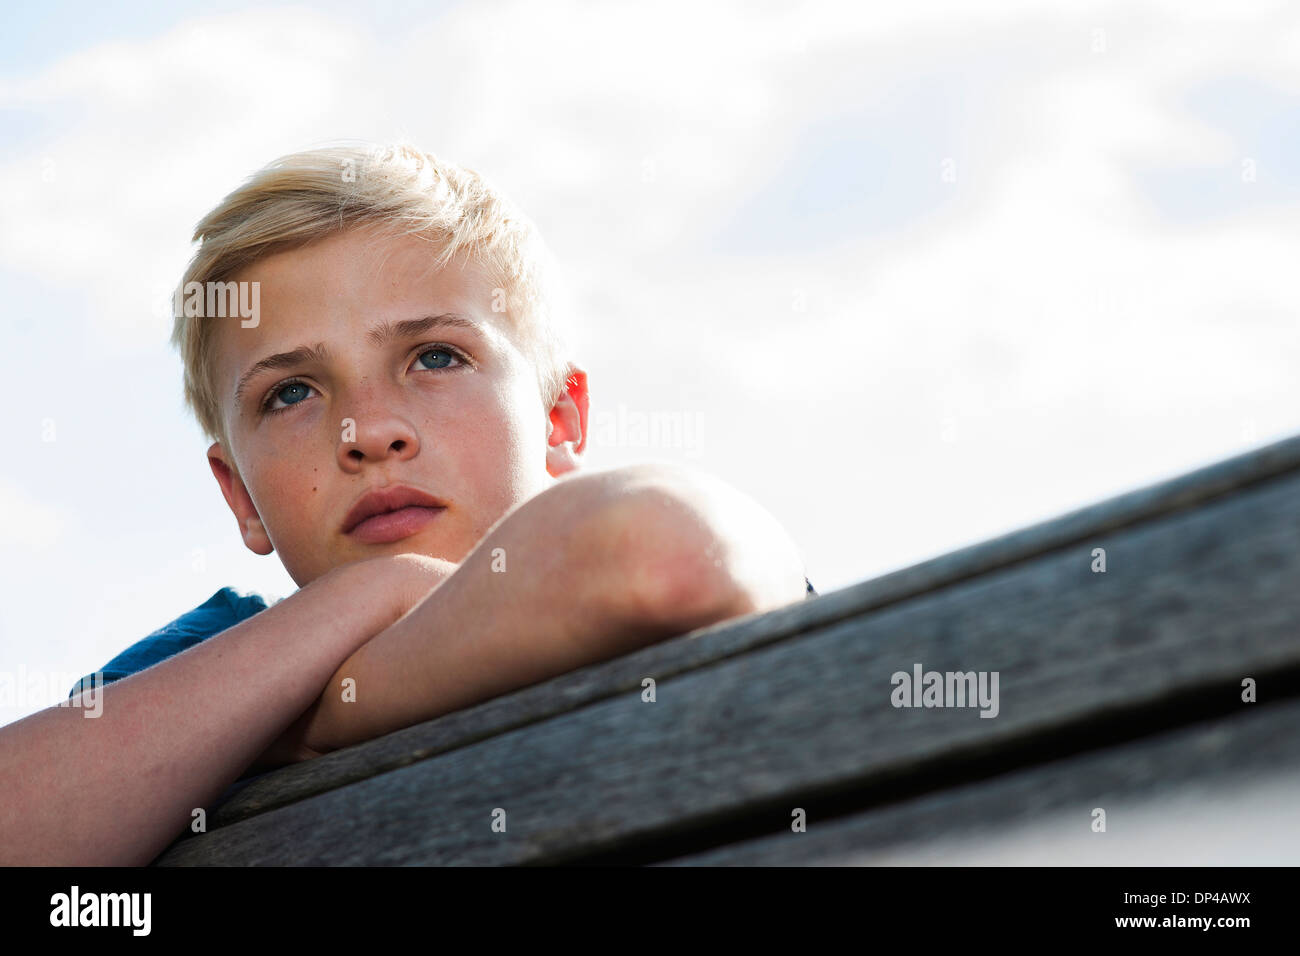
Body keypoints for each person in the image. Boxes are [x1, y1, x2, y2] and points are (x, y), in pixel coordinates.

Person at [0, 142, 814, 866]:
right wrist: (365, 598)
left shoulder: (240, 701)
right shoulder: (215, 661)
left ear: (559, 420)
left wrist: (311, 715)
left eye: (434, 356)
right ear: (241, 496)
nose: (368, 430)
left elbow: (670, 556)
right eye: (290, 393)